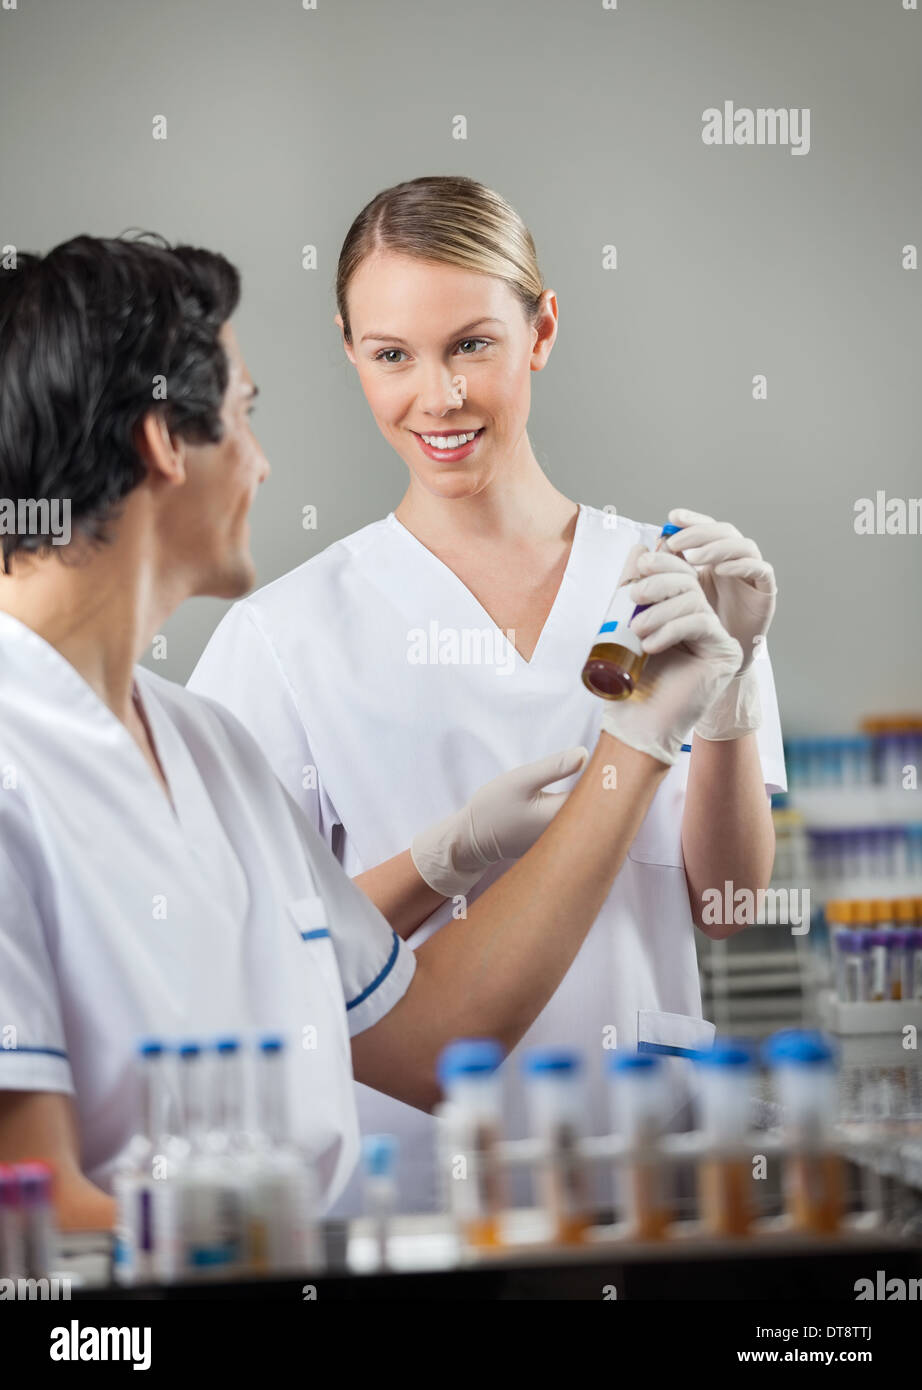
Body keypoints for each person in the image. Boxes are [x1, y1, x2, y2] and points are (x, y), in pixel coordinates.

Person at [0, 232, 745, 1230]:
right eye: (243, 415)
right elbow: (30, 1217)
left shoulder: (203, 750)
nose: (262, 464)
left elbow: (437, 1039)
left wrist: (639, 743)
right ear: (163, 440)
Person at [188, 176, 784, 1215]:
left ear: (541, 329)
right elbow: (260, 957)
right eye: (392, 356)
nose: (439, 397)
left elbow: (726, 909)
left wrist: (727, 702)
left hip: (642, 1158)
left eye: (471, 344)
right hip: (407, 1180)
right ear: (349, 352)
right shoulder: (283, 636)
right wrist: (446, 855)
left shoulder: (671, 588)